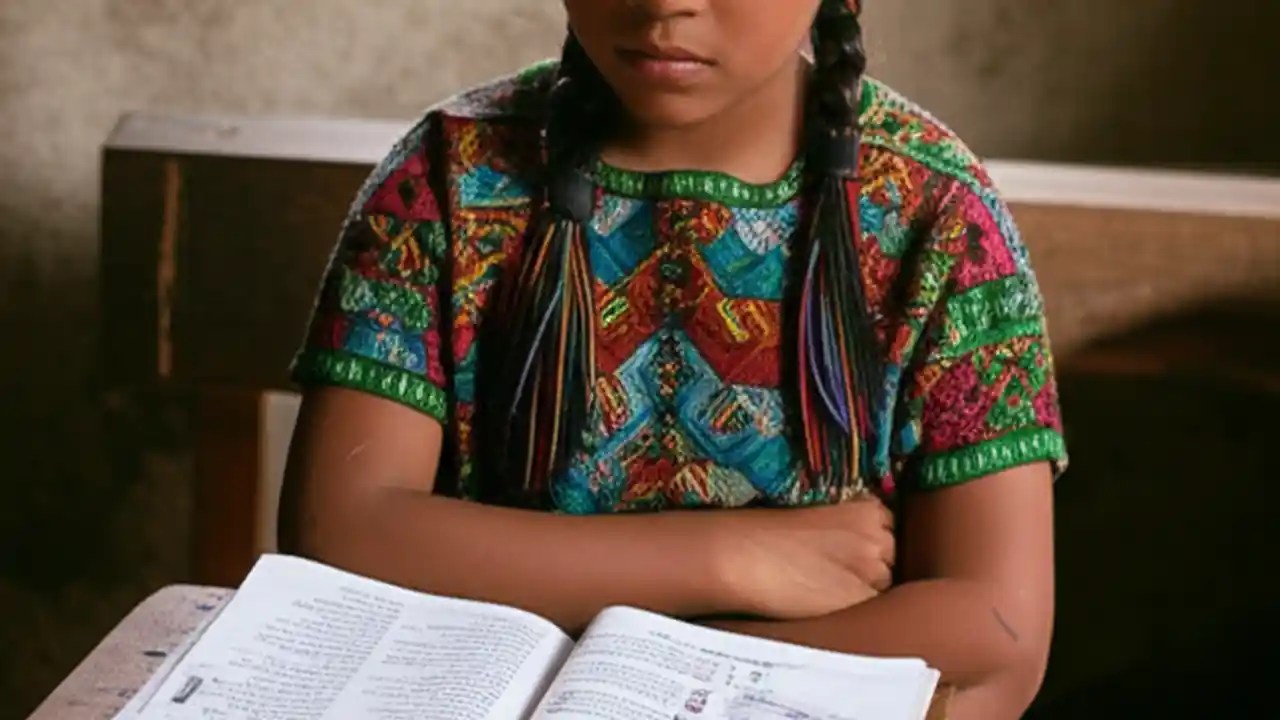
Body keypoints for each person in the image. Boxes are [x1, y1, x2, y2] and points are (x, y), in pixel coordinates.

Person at [278, 1, 1067, 717]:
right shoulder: (449, 179)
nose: (664, 4)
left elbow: (996, 635)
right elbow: (340, 535)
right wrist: (727, 559)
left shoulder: (939, 216)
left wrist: (636, 674)